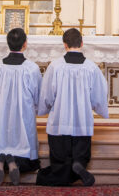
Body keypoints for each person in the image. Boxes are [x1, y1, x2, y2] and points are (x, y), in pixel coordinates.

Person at [36, 28, 109, 186]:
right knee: (81, 154)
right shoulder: (91, 67)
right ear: (82, 43)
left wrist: (44, 109)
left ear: (64, 45)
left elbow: (47, 94)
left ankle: (65, 169)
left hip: (59, 121)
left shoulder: (55, 67)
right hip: (81, 122)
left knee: (57, 164)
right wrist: (99, 109)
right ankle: (78, 165)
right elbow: (99, 94)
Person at [0, 28, 42, 185]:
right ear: (25, 44)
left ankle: (0, 160)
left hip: (2, 111)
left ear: (8, 44)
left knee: (2, 134)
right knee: (23, 139)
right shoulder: (31, 68)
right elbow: (37, 93)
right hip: (23, 112)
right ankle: (16, 162)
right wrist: (35, 109)